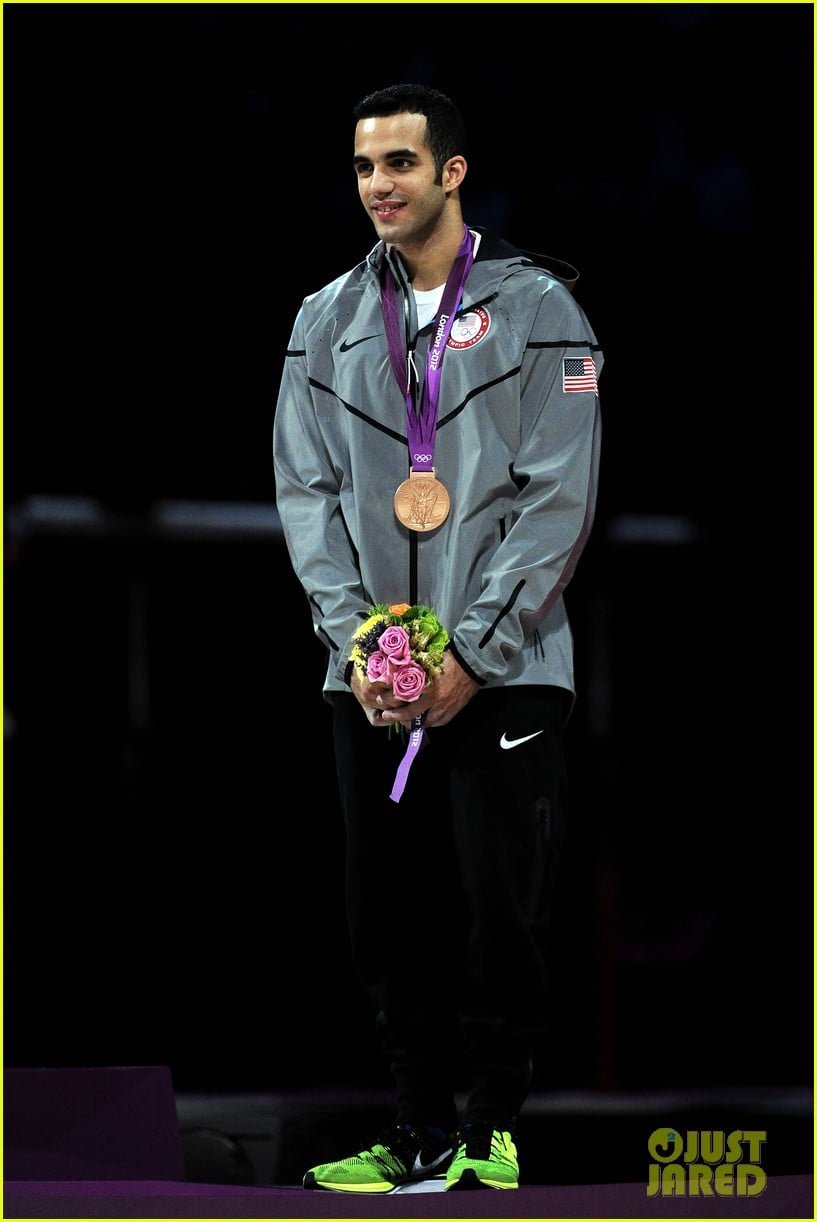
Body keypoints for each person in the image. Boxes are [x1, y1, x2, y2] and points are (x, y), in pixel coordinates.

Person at [272, 83, 602, 1193]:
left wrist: (472, 653)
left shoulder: (540, 309)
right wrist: (363, 644)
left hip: (504, 672)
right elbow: (304, 493)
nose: (381, 186)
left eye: (403, 164)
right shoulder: (323, 319)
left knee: (495, 910)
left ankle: (489, 1126)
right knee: (384, 917)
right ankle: (413, 1129)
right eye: (367, 166)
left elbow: (557, 498)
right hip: (371, 676)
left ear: (451, 172)